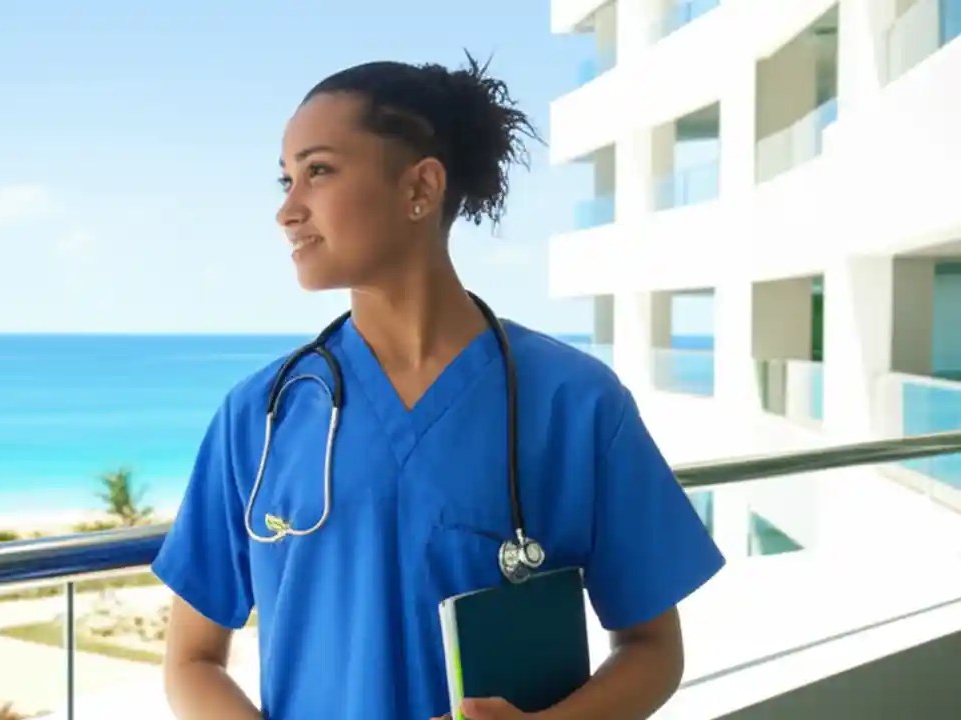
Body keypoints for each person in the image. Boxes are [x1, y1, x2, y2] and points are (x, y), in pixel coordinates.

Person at [151, 53, 725, 720]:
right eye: (286, 179)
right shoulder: (261, 414)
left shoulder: (576, 403)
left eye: (318, 171)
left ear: (419, 187)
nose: (287, 210)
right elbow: (191, 659)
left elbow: (653, 648)